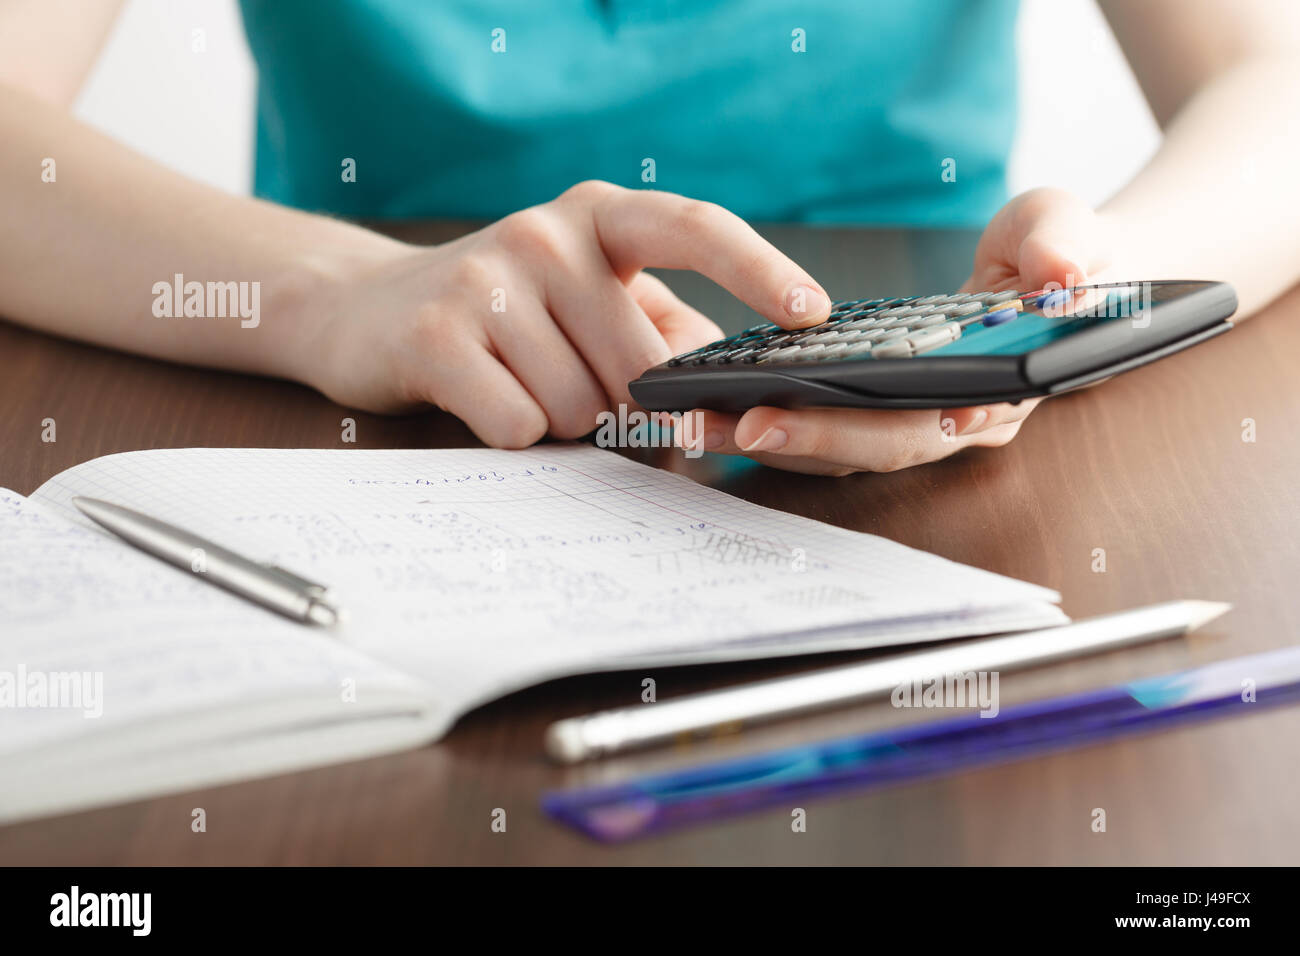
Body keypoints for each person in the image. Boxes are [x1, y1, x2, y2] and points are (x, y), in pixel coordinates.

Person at [2, 0, 1297, 476]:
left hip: (956, 437)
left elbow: (1277, 89)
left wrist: (1084, 291)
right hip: (392, 409)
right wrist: (342, 293)